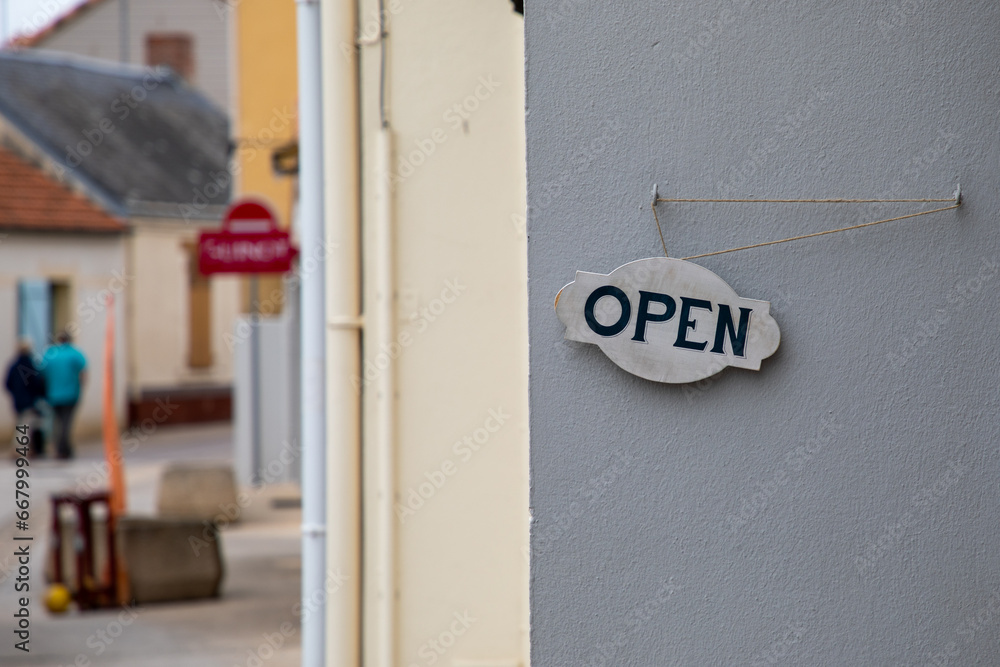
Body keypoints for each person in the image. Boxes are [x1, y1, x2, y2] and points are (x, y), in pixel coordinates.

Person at [41, 331, 87, 460]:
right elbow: (83, 373)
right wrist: (81, 389)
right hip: (71, 394)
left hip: (53, 394)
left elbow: (42, 373)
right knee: (66, 423)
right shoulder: (75, 353)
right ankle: (64, 449)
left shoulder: (50, 354)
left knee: (56, 422)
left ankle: (58, 448)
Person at [4, 338, 47, 457]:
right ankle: (19, 449)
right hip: (28, 401)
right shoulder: (30, 365)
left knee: (21, 424)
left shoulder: (14, 365)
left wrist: (15, 393)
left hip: (17, 401)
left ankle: (21, 448)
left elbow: (7, 383)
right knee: (25, 426)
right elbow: (36, 384)